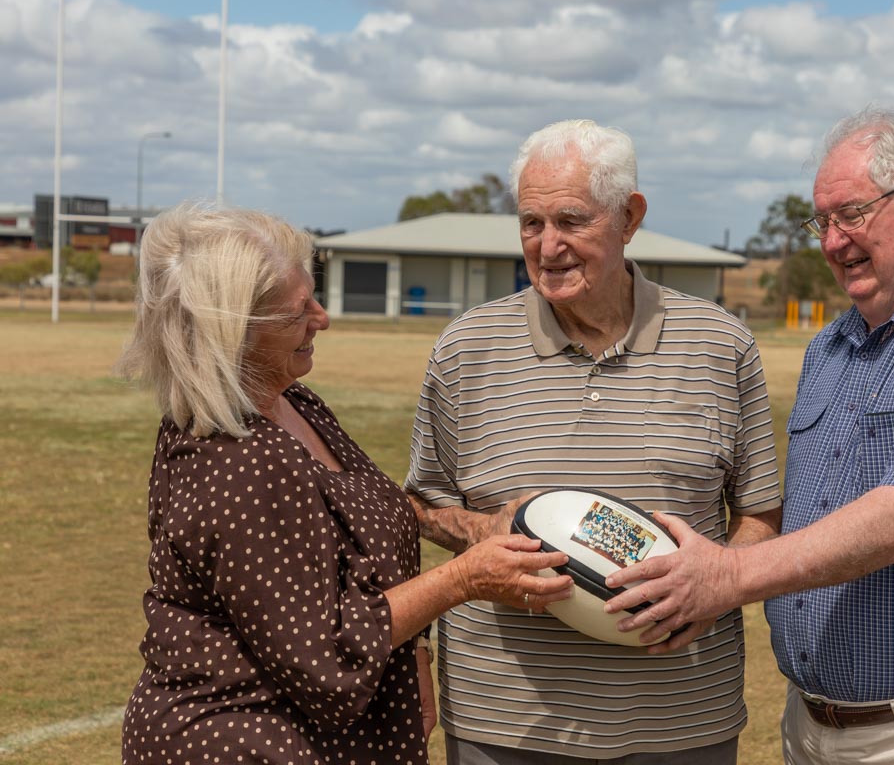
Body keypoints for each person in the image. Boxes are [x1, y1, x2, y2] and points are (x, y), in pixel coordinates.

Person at [606, 107, 894, 764]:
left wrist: (724, 575)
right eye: (822, 222)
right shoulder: (831, 347)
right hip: (819, 729)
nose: (832, 241)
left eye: (851, 214)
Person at [117, 202, 572, 765]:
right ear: (234, 332)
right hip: (246, 743)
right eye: (295, 312)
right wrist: (465, 580)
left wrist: (418, 652)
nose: (321, 317)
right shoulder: (239, 461)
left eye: (313, 294)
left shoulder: (294, 403)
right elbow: (325, 657)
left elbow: (371, 547)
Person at [404, 119, 782, 763]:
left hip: (682, 719)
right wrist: (481, 532)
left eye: (571, 221)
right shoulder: (466, 349)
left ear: (629, 216)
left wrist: (719, 581)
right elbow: (419, 505)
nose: (548, 247)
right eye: (531, 223)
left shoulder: (721, 344)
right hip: (504, 720)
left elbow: (761, 515)